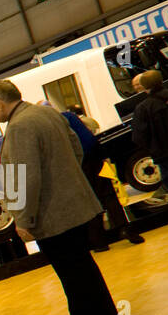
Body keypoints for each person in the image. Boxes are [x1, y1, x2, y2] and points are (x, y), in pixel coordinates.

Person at [0, 80, 122, 315]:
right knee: (70, 267)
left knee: (78, 270)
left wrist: (24, 218)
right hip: (73, 205)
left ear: (0, 103)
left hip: (53, 214)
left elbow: (28, 177)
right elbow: (77, 148)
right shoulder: (44, 112)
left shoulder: (21, 126)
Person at [43, 101, 143, 249]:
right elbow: (89, 138)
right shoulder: (69, 117)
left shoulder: (48, 127)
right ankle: (125, 229)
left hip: (75, 167)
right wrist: (103, 157)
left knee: (89, 202)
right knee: (109, 196)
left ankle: (98, 241)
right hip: (94, 160)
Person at [129, 69, 168, 205]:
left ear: (143, 86)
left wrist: (154, 148)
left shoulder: (143, 108)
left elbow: (138, 137)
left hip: (166, 157)